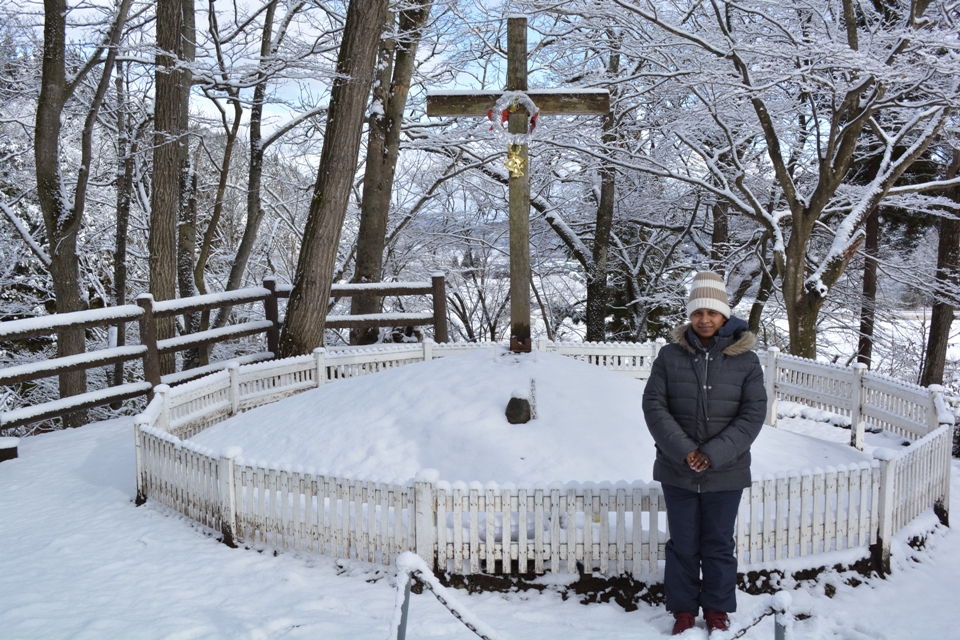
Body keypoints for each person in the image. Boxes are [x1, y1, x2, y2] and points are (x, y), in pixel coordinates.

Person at [642, 271, 767, 636]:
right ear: (690, 315)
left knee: (718, 544)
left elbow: (753, 414)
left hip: (726, 472)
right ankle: (682, 610)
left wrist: (712, 453)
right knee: (683, 544)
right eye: (698, 312)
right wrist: (685, 451)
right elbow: (654, 405)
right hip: (677, 469)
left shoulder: (747, 361)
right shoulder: (669, 356)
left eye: (712, 312)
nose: (705, 319)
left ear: (724, 315)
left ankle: (716, 609)